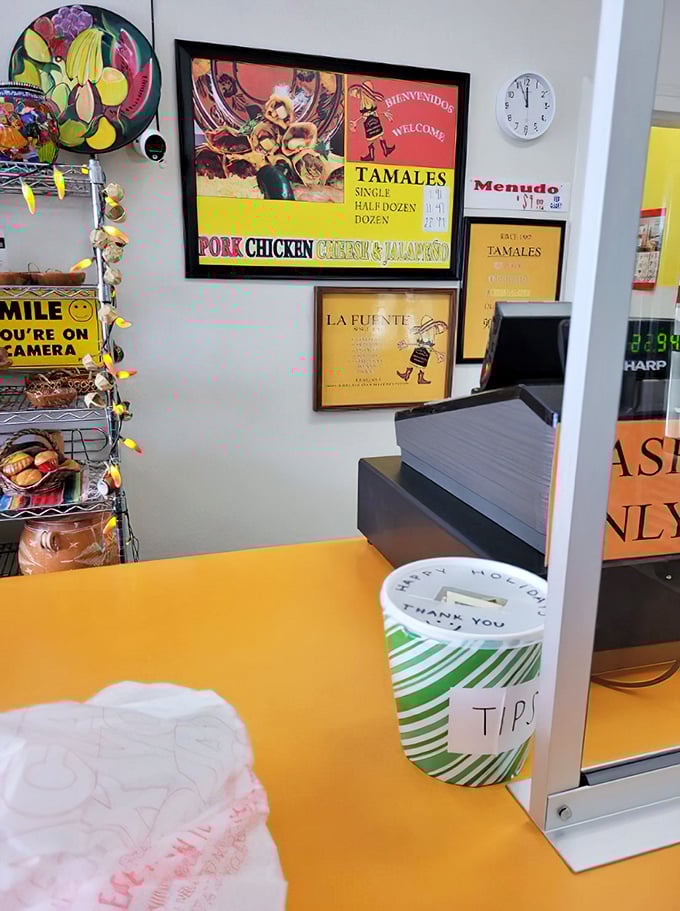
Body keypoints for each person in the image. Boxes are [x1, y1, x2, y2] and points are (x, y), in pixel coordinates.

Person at [348, 81, 395, 162]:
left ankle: (374, 154)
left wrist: (383, 113)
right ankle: (383, 150)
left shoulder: (366, 101)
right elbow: (369, 112)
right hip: (372, 117)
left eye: (355, 94)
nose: (356, 96)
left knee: (372, 136)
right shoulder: (369, 100)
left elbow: (366, 113)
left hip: (369, 119)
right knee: (378, 134)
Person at [396, 315, 448, 385]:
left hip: (421, 348)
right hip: (424, 350)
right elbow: (427, 343)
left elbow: (424, 343)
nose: (441, 331)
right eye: (442, 329)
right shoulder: (431, 331)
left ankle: (409, 375)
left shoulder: (425, 331)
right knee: (419, 364)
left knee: (414, 362)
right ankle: (416, 378)